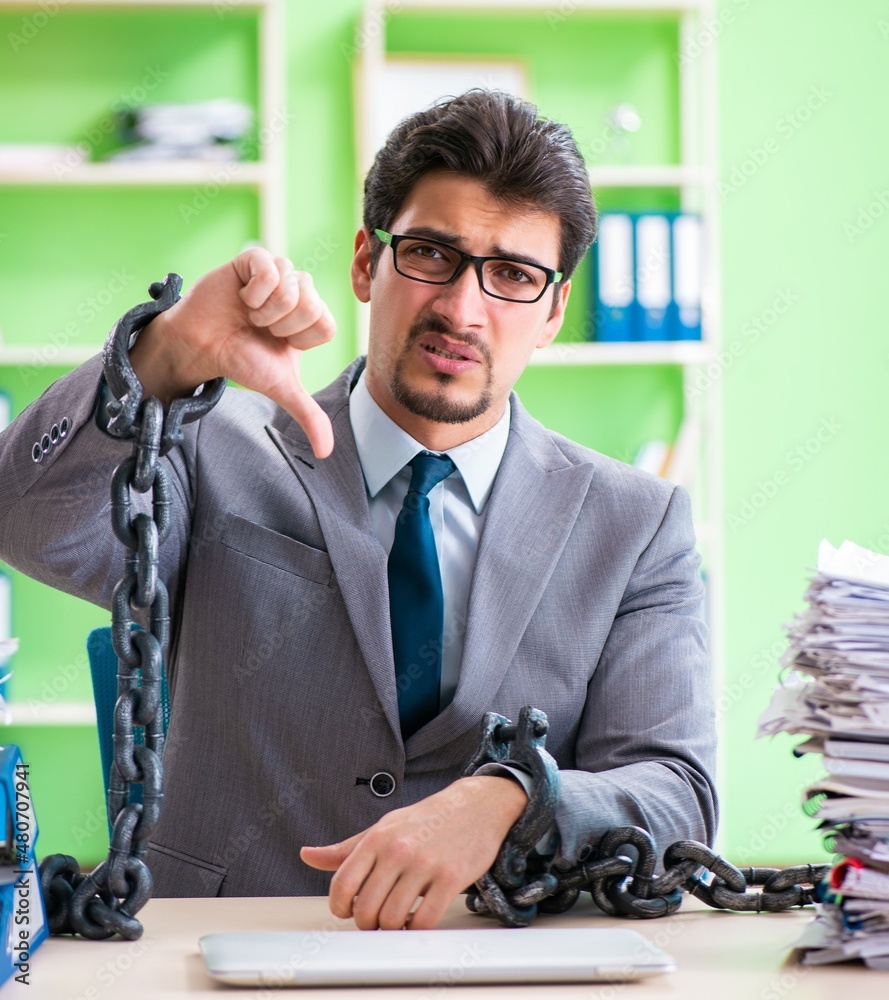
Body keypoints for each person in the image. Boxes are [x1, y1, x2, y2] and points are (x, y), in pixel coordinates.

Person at [0, 90, 716, 930]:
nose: (460, 308)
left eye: (513, 275)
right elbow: (26, 515)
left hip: (500, 965)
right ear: (364, 264)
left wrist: (508, 802)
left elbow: (674, 793)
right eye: (429, 255)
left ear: (553, 310)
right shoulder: (215, 445)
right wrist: (162, 355)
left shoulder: (637, 524)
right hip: (221, 949)